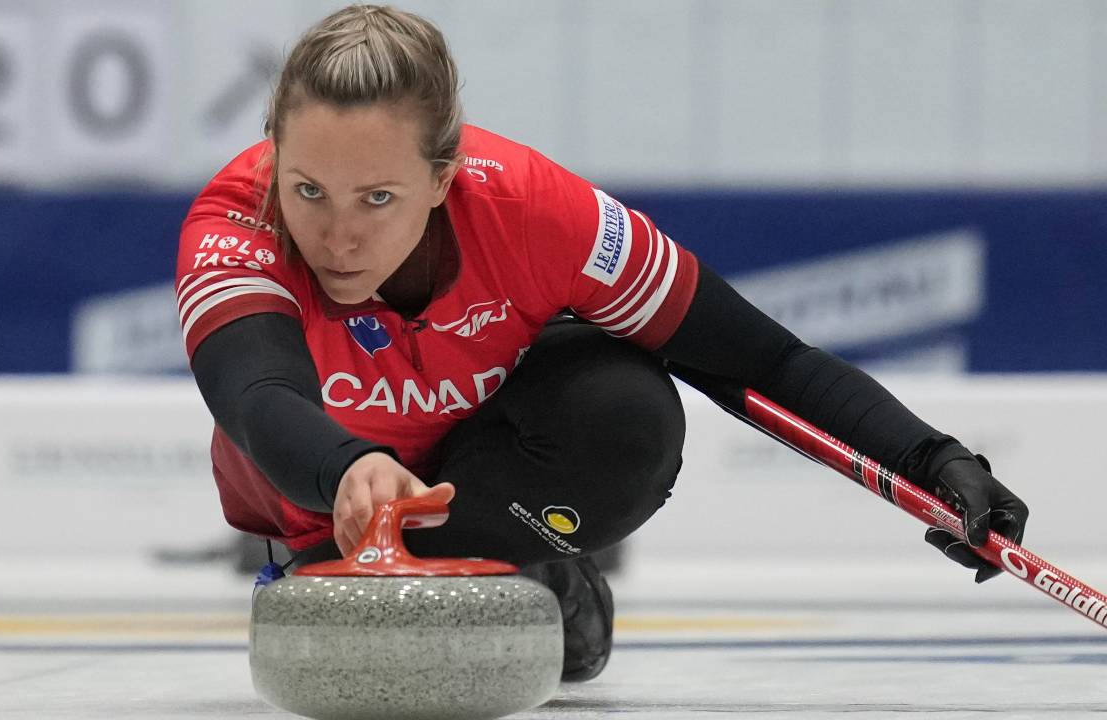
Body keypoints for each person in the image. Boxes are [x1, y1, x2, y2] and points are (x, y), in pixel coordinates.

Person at [177, 4, 1028, 682]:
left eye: (377, 199)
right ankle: (468, 564)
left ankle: (524, 559)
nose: (336, 236)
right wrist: (349, 469)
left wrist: (935, 461)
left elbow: (759, 362)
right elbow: (262, 400)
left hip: (476, 475)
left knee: (626, 408)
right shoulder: (235, 218)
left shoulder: (543, 214)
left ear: (443, 180)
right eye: (309, 189)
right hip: (325, 510)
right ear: (274, 158)